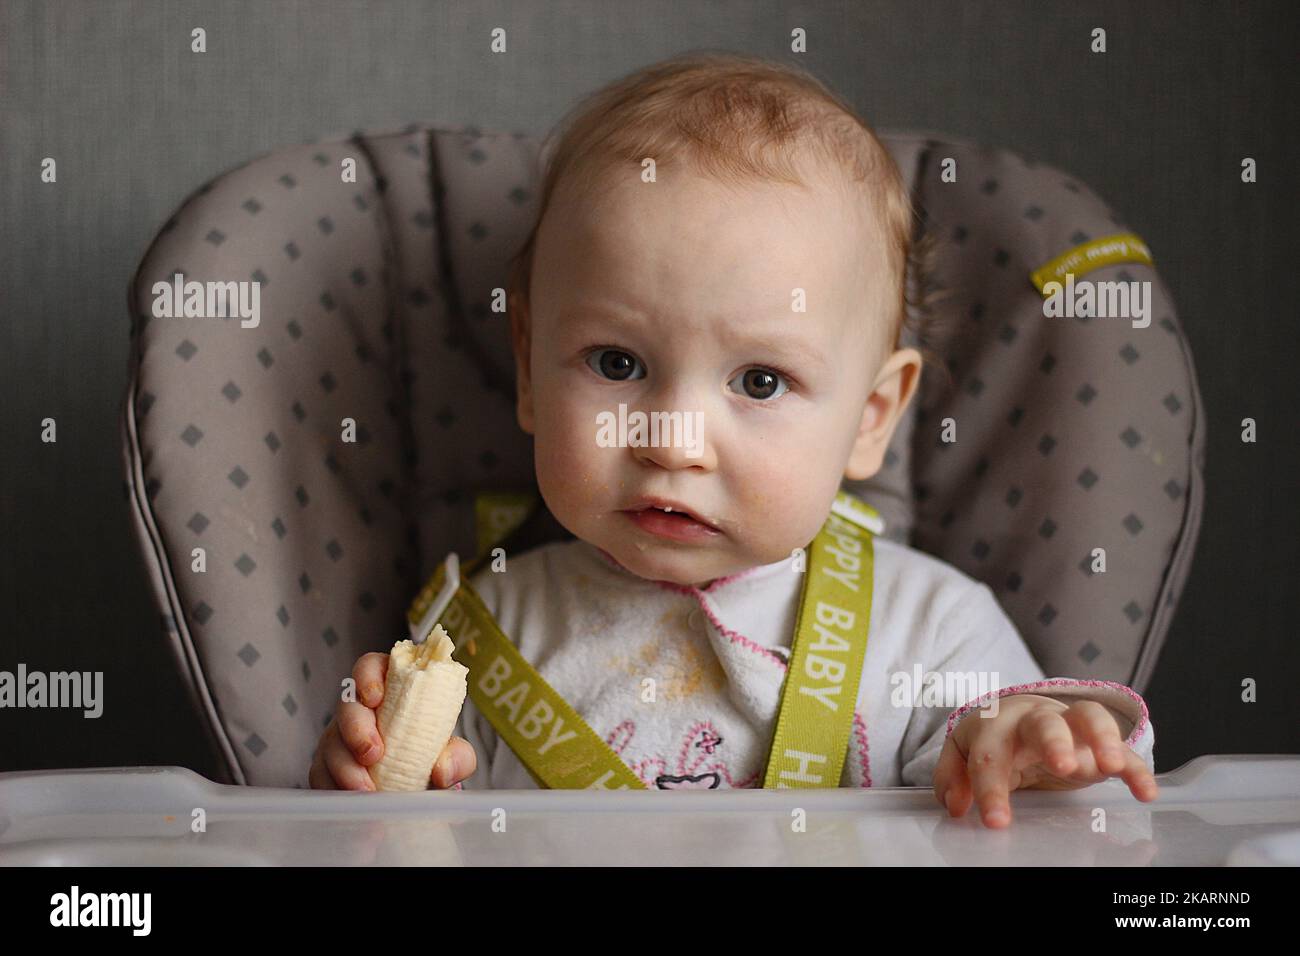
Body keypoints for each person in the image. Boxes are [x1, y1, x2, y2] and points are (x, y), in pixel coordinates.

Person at [309, 51, 1158, 828]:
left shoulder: (936, 636)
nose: (675, 443)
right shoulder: (477, 636)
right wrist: (372, 790)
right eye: (617, 361)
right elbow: (397, 848)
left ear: (871, 416)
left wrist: (1035, 751)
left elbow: (1060, 811)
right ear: (529, 369)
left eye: (760, 381)